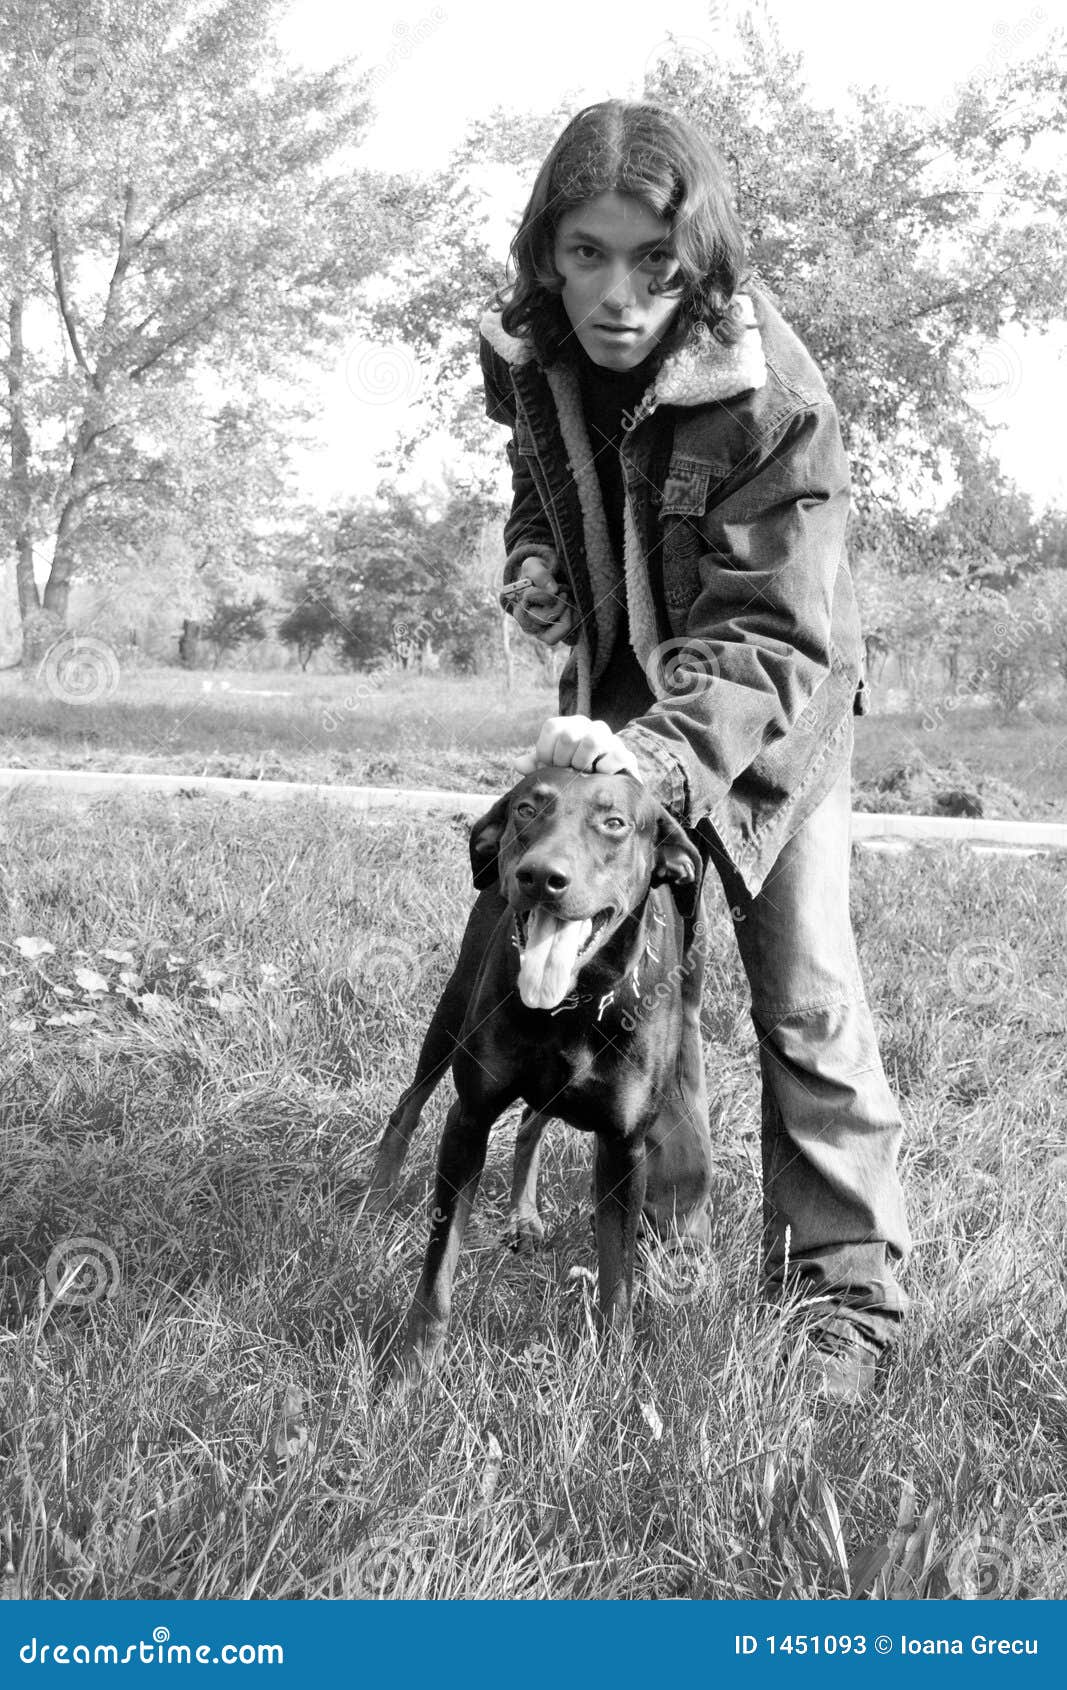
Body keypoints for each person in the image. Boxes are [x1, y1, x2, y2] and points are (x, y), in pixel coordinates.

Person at [474, 98, 911, 1402]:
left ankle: (843, 1302)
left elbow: (777, 631)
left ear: (699, 256)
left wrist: (661, 767)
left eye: (654, 262)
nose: (619, 296)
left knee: (807, 994)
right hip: (622, 706)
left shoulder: (776, 400)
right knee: (633, 986)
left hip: (770, 716)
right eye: (588, 254)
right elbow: (537, 487)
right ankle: (654, 1243)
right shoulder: (529, 354)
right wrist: (537, 563)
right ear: (548, 254)